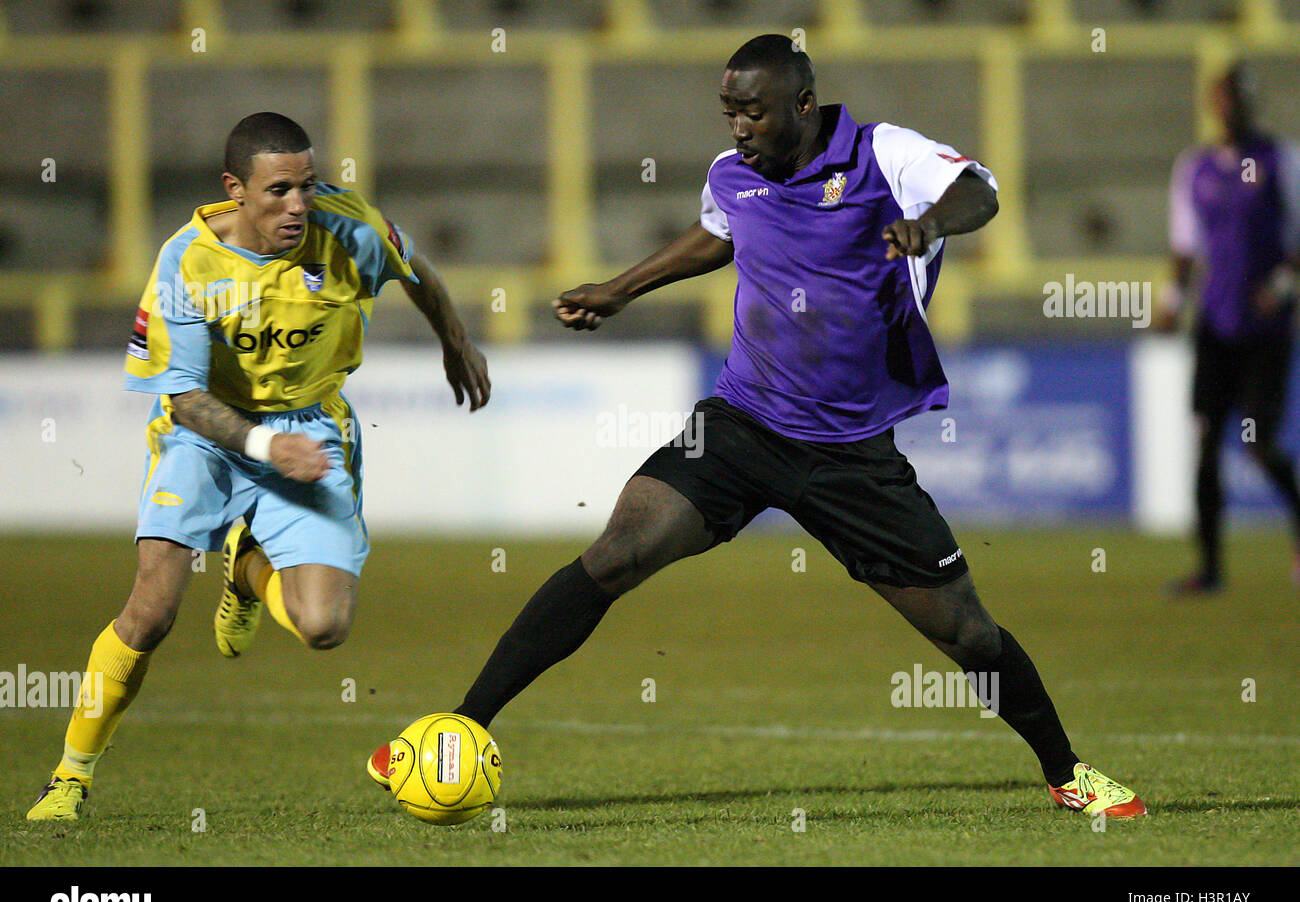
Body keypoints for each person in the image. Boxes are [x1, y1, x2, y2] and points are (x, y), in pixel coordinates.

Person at [369, 35, 1145, 817]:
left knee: (967, 634)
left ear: (802, 107)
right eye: (729, 111)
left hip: (850, 455)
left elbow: (980, 191)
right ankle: (457, 727)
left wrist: (931, 225)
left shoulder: (883, 154)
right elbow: (722, 231)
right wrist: (622, 287)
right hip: (743, 424)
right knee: (615, 555)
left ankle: (1067, 774)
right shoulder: (732, 176)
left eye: (753, 111)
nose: (738, 126)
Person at [27, 112, 491, 821]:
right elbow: (181, 398)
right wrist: (263, 448)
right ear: (235, 189)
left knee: (323, 627)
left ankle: (245, 570)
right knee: (151, 612)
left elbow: (416, 269)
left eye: (307, 185)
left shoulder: (350, 225)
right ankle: (70, 777)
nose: (298, 205)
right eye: (279, 190)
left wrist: (456, 343)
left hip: (311, 424)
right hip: (206, 433)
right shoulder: (186, 261)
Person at [1157, 64, 1300, 594]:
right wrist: (1172, 301)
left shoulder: (1279, 160)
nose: (1229, 107)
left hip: (1266, 328)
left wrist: (1280, 288)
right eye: (1222, 98)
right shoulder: (1193, 168)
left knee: (1259, 445)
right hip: (1215, 325)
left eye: (1237, 98)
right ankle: (1210, 568)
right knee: (1206, 441)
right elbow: (1184, 248)